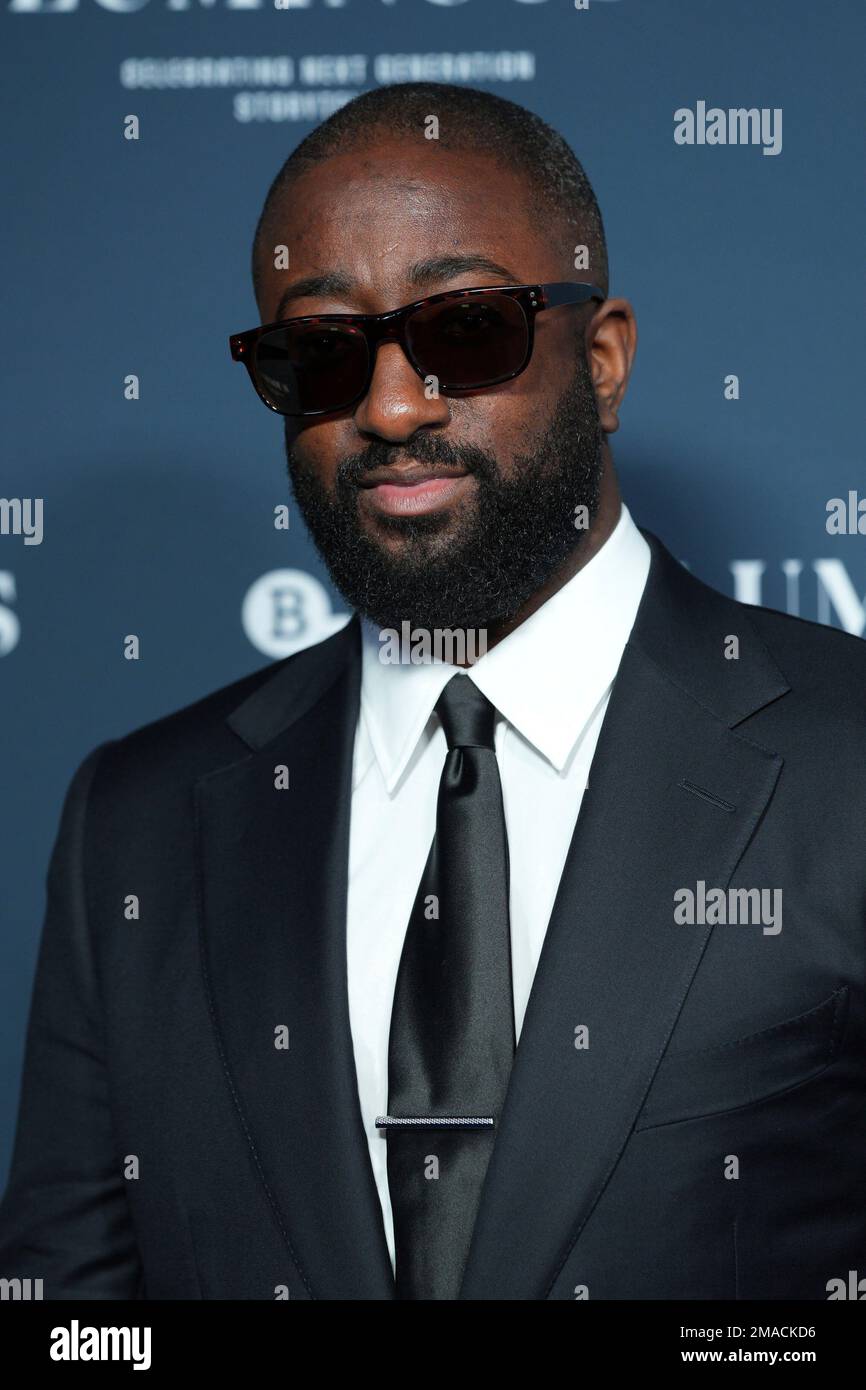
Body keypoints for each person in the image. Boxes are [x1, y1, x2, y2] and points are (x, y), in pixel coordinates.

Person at [1, 81, 864, 1301]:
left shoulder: (844, 759)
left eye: (465, 330)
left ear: (603, 360)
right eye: (322, 353)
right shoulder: (133, 824)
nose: (392, 407)